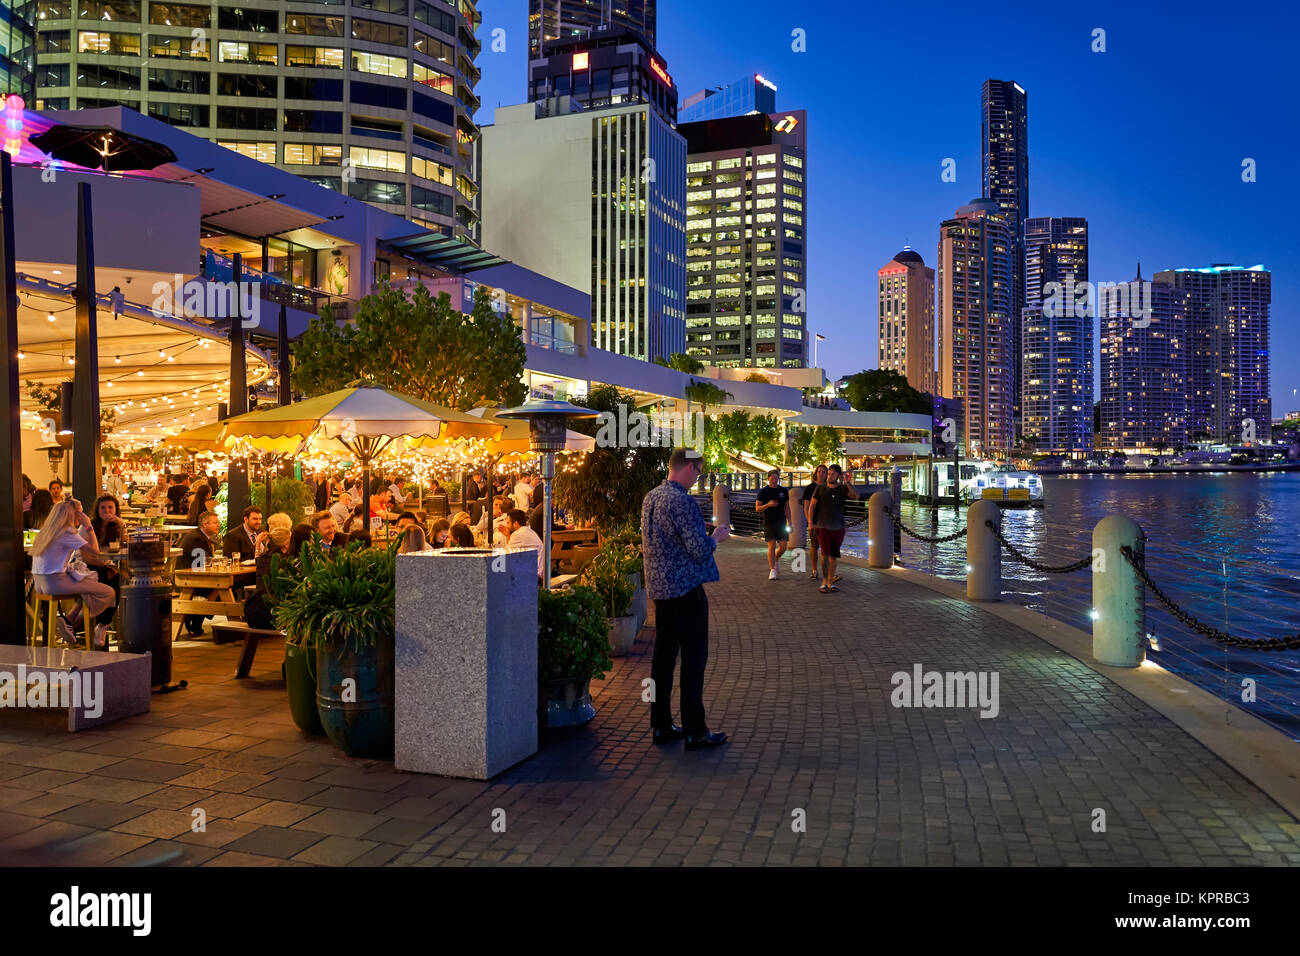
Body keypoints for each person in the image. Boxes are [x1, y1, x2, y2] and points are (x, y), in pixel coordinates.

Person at [641, 448, 730, 750]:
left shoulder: (651, 496)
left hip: (660, 591)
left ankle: (661, 724)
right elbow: (699, 549)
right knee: (694, 659)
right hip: (686, 590)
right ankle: (695, 729)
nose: (698, 478)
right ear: (690, 467)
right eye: (699, 472)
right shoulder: (682, 500)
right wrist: (716, 537)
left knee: (662, 660)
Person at [30, 498, 116, 649]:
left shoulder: (46, 530)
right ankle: (71, 624)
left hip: (39, 584)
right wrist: (88, 526)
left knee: (88, 588)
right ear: (73, 514)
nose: (82, 515)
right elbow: (95, 551)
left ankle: (69, 621)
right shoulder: (67, 531)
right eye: (80, 512)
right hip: (55, 582)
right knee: (108, 593)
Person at [809, 463, 859, 594]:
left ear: (838, 475)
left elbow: (856, 496)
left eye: (832, 474)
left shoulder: (842, 489)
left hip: (838, 527)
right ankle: (824, 582)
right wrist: (810, 522)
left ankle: (831, 582)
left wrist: (847, 482)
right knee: (825, 555)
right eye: (828, 473)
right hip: (822, 526)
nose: (829, 476)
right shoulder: (820, 488)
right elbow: (812, 506)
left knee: (833, 556)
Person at [176, 509, 221, 635]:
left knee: (223, 589)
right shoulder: (196, 538)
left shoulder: (201, 536)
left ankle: (195, 620)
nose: (218, 525)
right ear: (204, 524)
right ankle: (193, 618)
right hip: (189, 580)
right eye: (214, 522)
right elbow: (202, 562)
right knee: (221, 589)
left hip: (194, 576)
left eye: (218, 522)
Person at [243, 525, 291, 631]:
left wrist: (258, 545)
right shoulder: (286, 561)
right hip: (273, 615)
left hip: (253, 612)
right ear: (286, 544)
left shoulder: (263, 558)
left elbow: (257, 559)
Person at [755, 469, 790, 580]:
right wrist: (768, 505)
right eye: (772, 478)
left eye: (776, 478)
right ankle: (772, 570)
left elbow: (787, 508)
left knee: (784, 547)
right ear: (768, 478)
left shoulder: (783, 491)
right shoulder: (763, 491)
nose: (774, 480)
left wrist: (791, 521)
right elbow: (757, 508)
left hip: (781, 521)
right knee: (772, 545)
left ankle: (776, 558)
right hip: (769, 521)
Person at [802, 464, 828, 582]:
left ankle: (827, 572)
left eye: (824, 472)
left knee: (826, 548)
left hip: (827, 522)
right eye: (819, 472)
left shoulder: (829, 486)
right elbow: (806, 506)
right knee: (814, 546)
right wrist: (810, 522)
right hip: (814, 521)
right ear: (816, 473)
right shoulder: (810, 488)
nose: (821, 474)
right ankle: (814, 570)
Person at [505, 508, 544, 582]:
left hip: (534, 577)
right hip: (537, 573)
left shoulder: (518, 534)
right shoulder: (528, 531)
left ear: (515, 524)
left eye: (508, 523)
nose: (507, 526)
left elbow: (505, 554)